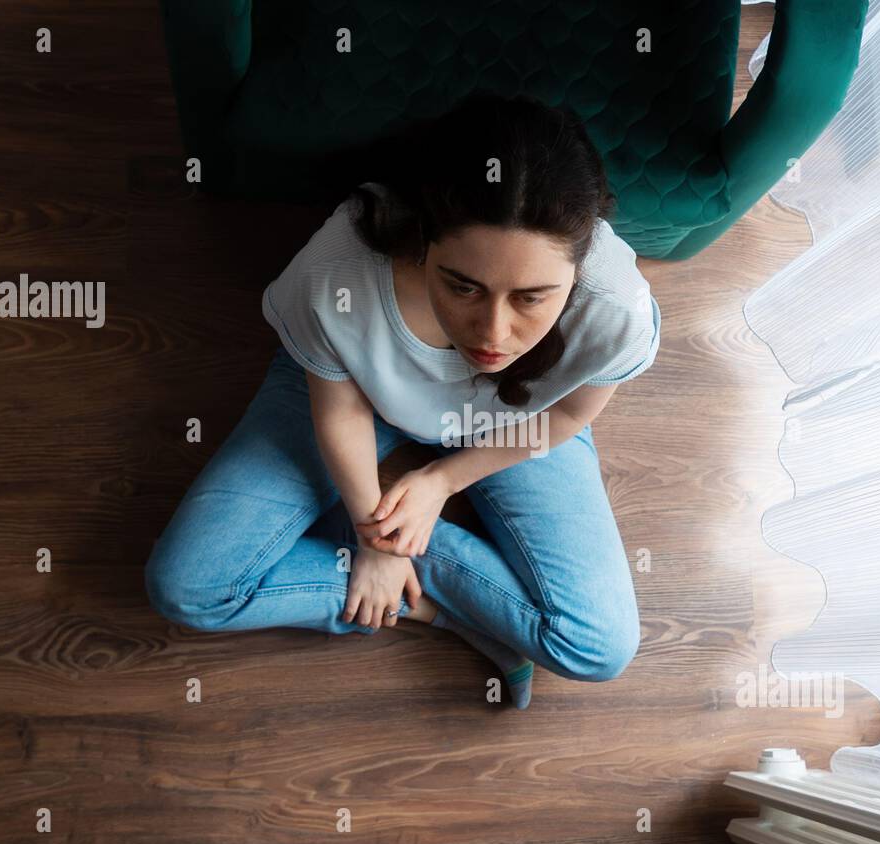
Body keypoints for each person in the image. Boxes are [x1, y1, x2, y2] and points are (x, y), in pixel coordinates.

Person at [145, 91, 661, 709]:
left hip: (512, 425)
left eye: (531, 297)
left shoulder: (614, 306)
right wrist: (377, 542)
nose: (493, 335)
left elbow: (571, 413)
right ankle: (450, 612)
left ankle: (415, 568)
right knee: (190, 587)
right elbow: (339, 410)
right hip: (357, 393)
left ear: (579, 269)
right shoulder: (339, 267)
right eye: (462, 286)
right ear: (423, 237)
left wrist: (441, 481)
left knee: (597, 648)